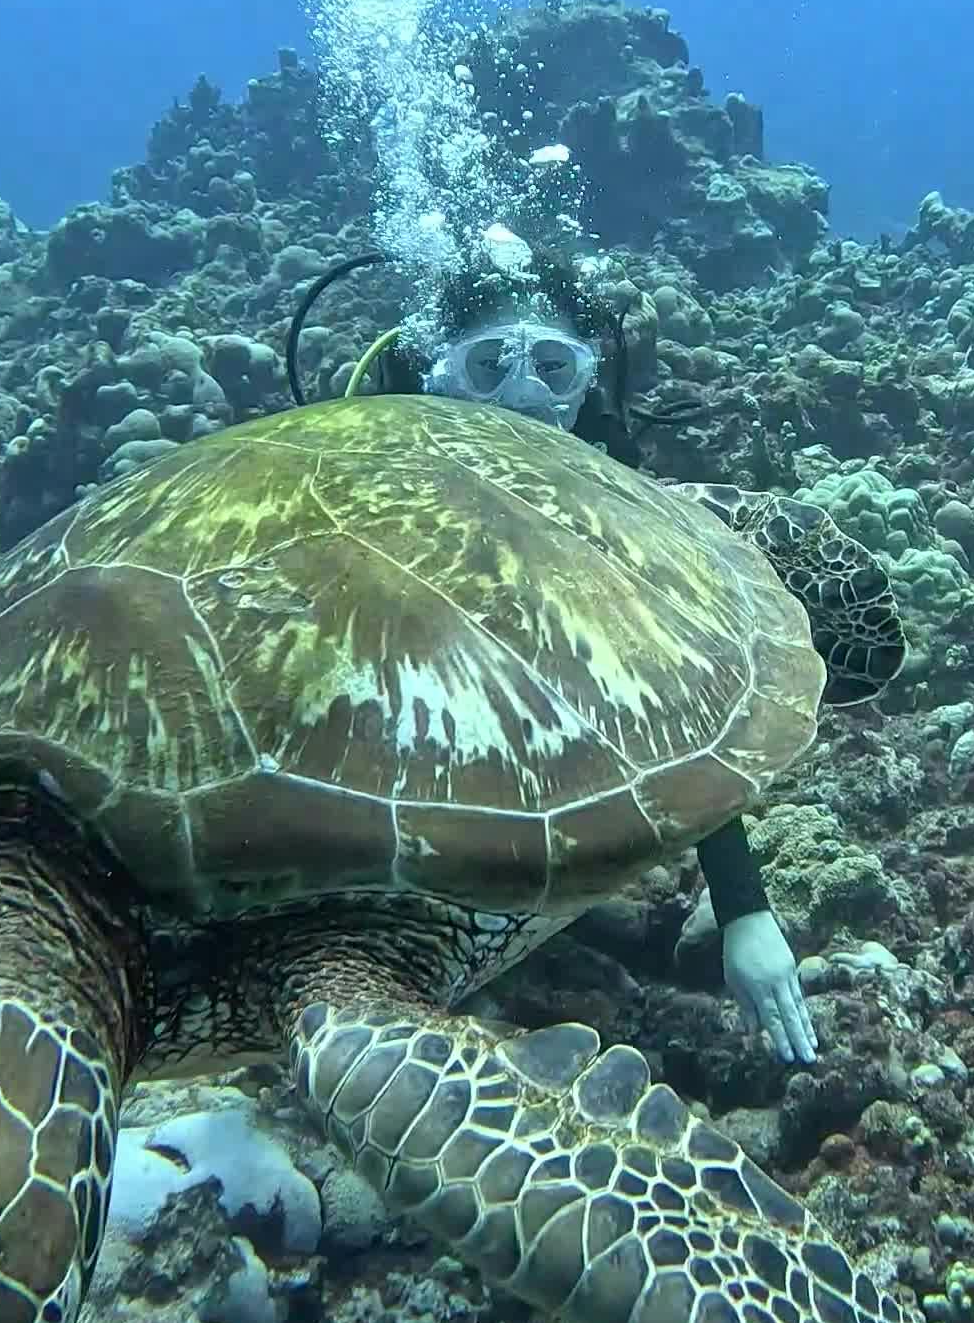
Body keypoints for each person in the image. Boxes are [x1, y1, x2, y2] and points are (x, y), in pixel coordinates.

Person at [285, 240, 823, 1060]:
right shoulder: (357, 467)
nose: (525, 397)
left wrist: (745, 909)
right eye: (490, 364)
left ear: (586, 383)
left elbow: (678, 683)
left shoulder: (607, 498)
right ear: (439, 372)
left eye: (554, 368)